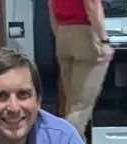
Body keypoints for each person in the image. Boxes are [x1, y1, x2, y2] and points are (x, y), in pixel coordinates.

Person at [49, 0, 114, 136]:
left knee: (71, 104)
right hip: (85, 34)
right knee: (80, 107)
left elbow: (50, 6)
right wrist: (104, 41)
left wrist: (59, 34)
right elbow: (92, 5)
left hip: (63, 34)